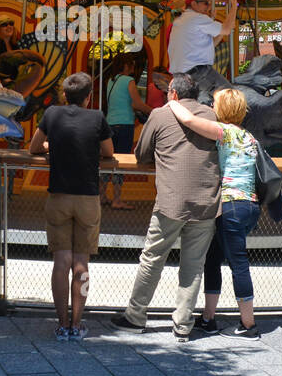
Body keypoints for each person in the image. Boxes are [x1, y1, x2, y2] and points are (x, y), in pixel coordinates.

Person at [109, 72, 221, 342]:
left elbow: (141, 154)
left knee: (153, 259)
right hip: (206, 202)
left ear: (173, 93)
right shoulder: (211, 115)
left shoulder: (161, 114)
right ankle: (183, 325)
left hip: (171, 201)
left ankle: (135, 316)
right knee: (193, 266)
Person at [166, 88, 263, 339]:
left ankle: (248, 324)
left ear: (222, 110)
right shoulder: (249, 137)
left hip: (230, 204)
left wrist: (172, 102)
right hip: (249, 205)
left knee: (238, 263)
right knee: (213, 258)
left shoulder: (225, 132)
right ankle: (208, 318)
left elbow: (188, 121)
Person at [28, 72, 114, 340]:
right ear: (88, 97)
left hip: (59, 198)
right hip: (88, 198)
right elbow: (109, 152)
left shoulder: (52, 114)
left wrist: (47, 145)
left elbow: (33, 148)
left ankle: (61, 323)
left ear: (64, 95)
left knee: (60, 262)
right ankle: (77, 324)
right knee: (82, 264)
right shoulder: (97, 117)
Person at [104, 56, 150, 210]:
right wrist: (153, 110)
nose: (133, 68)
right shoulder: (128, 81)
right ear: (125, 65)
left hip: (109, 123)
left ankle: (102, 195)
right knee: (121, 162)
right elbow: (136, 103)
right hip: (124, 124)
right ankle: (117, 199)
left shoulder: (110, 81)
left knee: (107, 161)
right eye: (131, 65)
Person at [167, 0, 239, 75]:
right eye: (206, 3)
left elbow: (209, 45)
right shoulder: (196, 18)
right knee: (226, 87)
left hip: (183, 71)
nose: (209, 7)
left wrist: (221, 29)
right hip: (196, 71)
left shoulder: (179, 21)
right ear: (193, 4)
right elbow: (226, 29)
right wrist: (234, 6)